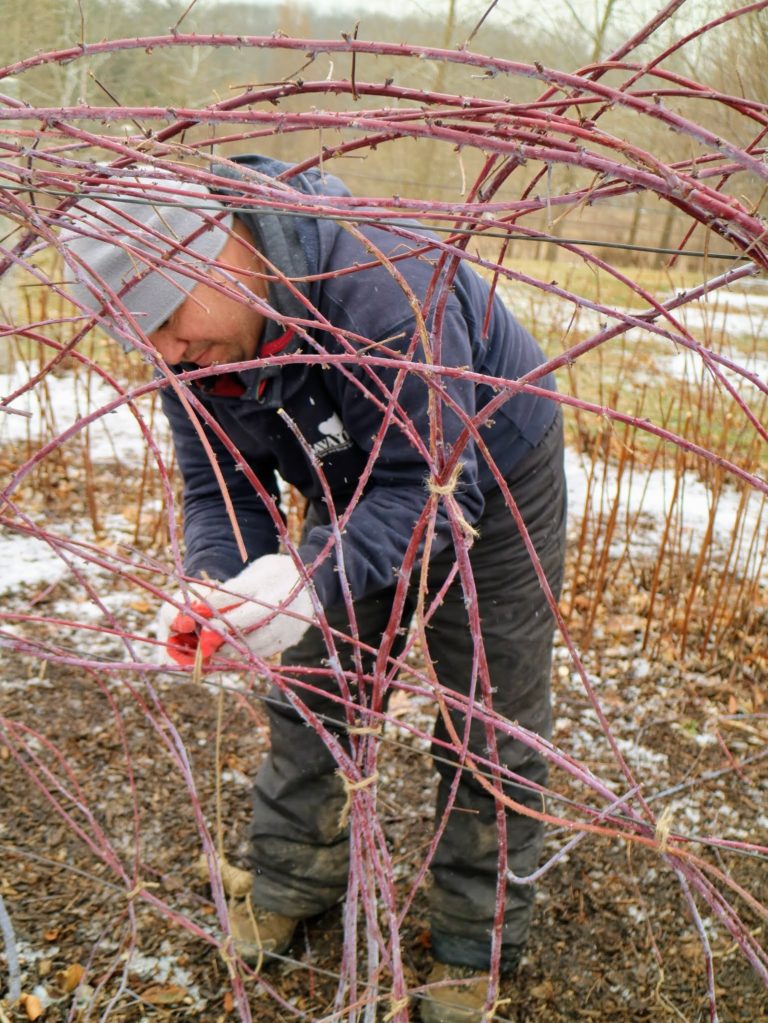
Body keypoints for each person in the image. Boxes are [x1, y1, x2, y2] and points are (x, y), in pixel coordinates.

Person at [59, 155, 567, 1023]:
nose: (170, 356)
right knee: (314, 677)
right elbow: (219, 489)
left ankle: (471, 940)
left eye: (174, 325)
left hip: (487, 470)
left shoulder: (378, 281)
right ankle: (294, 876)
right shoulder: (189, 345)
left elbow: (433, 491)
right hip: (348, 484)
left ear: (219, 252)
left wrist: (306, 576)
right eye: (147, 343)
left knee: (489, 705)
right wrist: (218, 588)